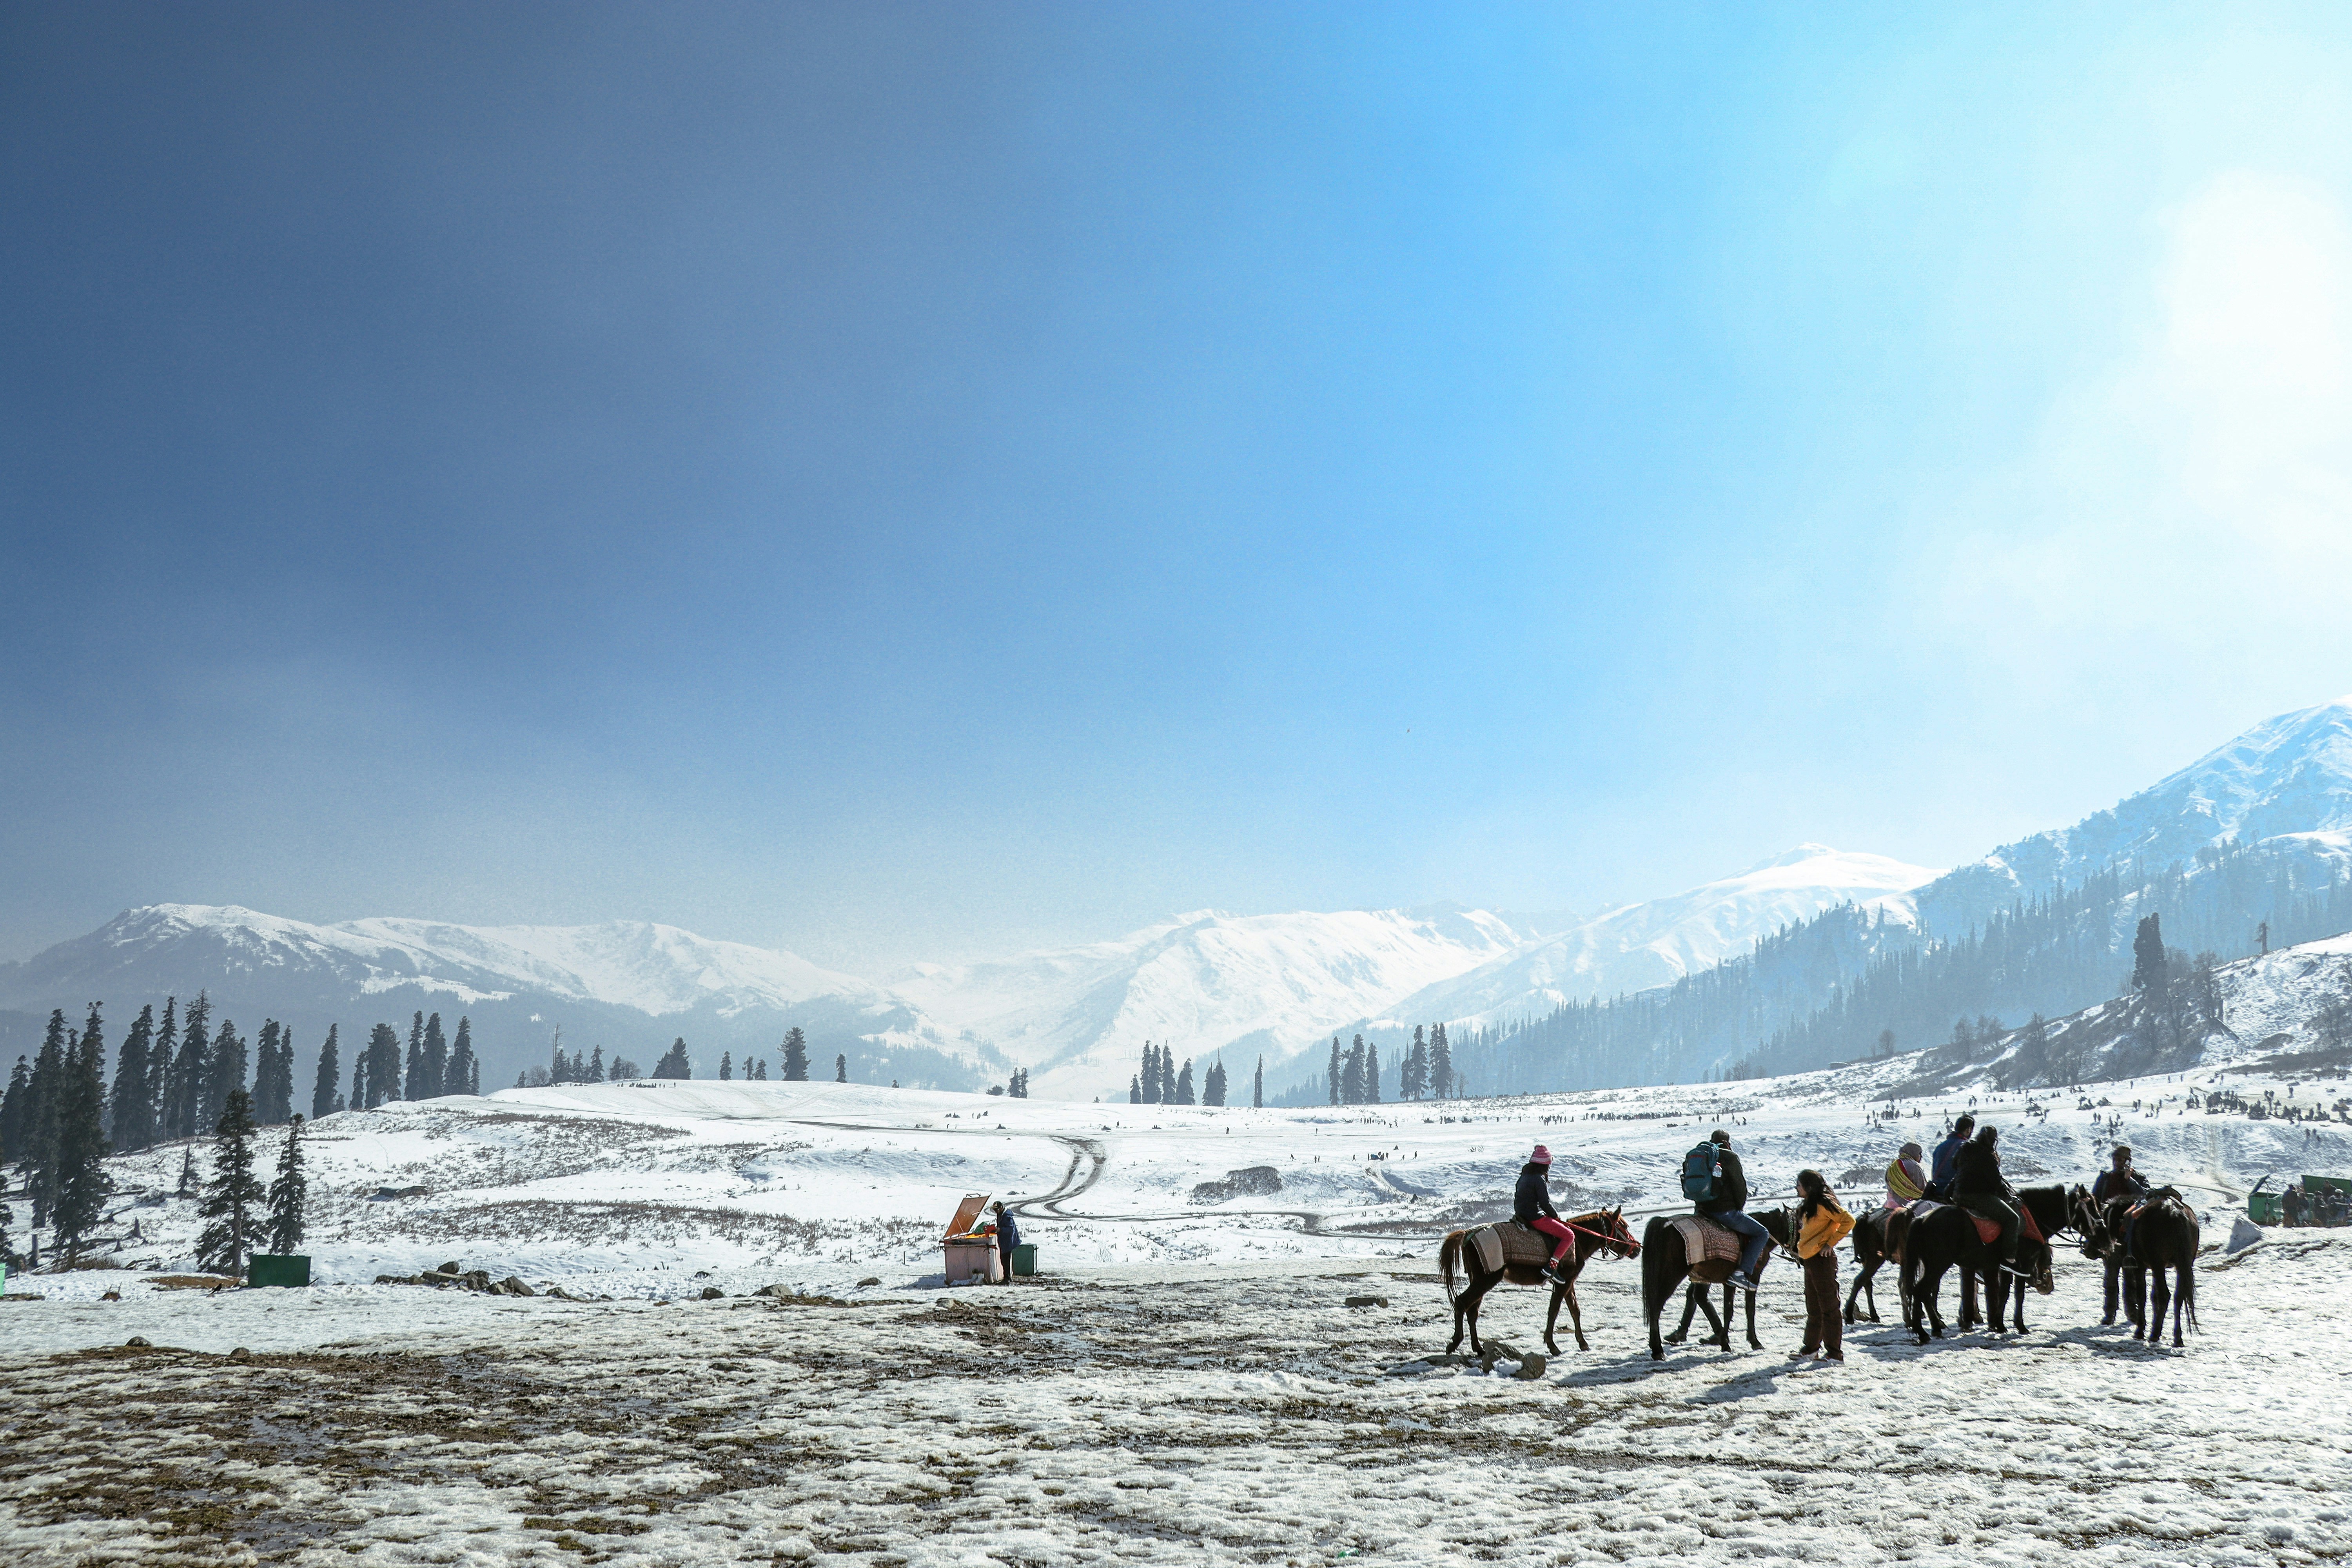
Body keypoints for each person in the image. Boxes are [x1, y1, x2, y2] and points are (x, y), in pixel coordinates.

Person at [1696, 1128, 1771, 1293]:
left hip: (1701, 1211)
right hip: (1725, 1213)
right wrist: (1739, 1208)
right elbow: (1740, 1188)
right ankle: (1741, 1273)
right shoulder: (1730, 1157)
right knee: (1762, 1234)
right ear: (1727, 1143)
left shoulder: (1702, 1155)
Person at [1792, 1169, 1854, 1361]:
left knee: (1829, 1307)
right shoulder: (1809, 1205)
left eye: (1799, 1185)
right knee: (1813, 1307)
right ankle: (1811, 1348)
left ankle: (1835, 1353)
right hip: (1810, 1260)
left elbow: (1848, 1221)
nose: (1796, 1188)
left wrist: (1830, 1243)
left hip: (1822, 1261)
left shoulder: (1824, 1203)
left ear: (1809, 1187)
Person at [1953, 1123, 2029, 1277]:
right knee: (2012, 1218)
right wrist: (2008, 1194)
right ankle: (2008, 1259)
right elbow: (1996, 1181)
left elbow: (1954, 1165)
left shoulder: (1965, 1148)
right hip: (1978, 1196)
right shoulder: (1987, 1155)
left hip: (1958, 1194)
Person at [2091, 1145, 2148, 1323]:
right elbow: (2095, 1202)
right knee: (2111, 1275)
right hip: (2110, 1234)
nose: (2117, 1163)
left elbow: (2145, 1196)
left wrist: (2130, 1180)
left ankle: (2132, 1313)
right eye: (2115, 1160)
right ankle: (2110, 1313)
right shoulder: (2105, 1179)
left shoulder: (2138, 1178)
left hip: (2131, 1235)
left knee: (2131, 1276)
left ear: (2127, 1161)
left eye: (2120, 1160)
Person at [1515, 1145, 1575, 1284]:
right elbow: (1545, 1204)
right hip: (1535, 1217)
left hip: (1522, 1215)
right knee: (1569, 1235)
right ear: (1546, 1164)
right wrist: (1556, 1217)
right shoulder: (1539, 1179)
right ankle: (1551, 1268)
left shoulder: (1524, 1176)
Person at [1926, 1115, 1975, 1201]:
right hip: (1955, 1193)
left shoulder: (1940, 1147)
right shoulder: (1967, 1147)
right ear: (1969, 1130)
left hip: (1936, 1191)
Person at [1884, 1142, 1927, 1209]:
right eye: (1920, 1154)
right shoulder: (1915, 1166)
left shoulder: (1893, 1166)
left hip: (1891, 1204)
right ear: (1913, 1153)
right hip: (1911, 1205)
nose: (1921, 1157)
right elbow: (1922, 1187)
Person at [989, 1200, 1020, 1285]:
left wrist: (1001, 1230)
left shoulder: (1007, 1216)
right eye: (995, 1210)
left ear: (1001, 1208)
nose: (996, 1211)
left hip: (1008, 1241)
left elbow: (1011, 1229)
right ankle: (1008, 1277)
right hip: (1004, 1241)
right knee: (1004, 1260)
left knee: (1005, 1260)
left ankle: (1006, 1279)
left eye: (997, 1210)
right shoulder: (1000, 1215)